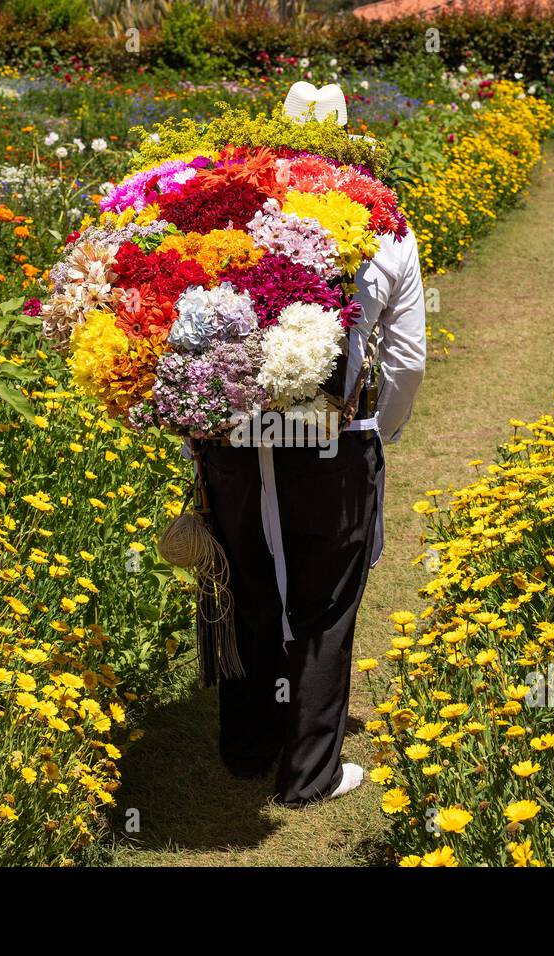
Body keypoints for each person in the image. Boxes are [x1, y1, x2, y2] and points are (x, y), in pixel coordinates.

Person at [198, 82, 427, 807]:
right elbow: (408, 358)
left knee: (243, 581)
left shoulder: (223, 214)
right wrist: (374, 429)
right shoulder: (384, 227)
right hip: (332, 446)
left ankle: (248, 746)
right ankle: (310, 772)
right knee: (325, 599)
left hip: (233, 438)